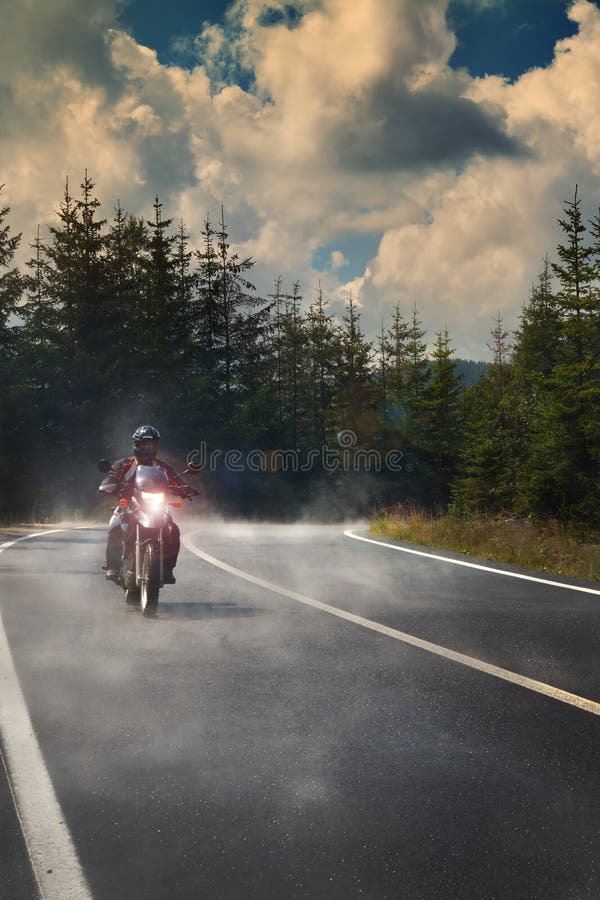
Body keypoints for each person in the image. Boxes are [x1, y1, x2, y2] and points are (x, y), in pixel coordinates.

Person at [99, 425, 195, 584]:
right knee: (115, 525)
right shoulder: (124, 464)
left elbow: (177, 481)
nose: (148, 448)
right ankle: (113, 566)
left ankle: (167, 568)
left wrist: (186, 489)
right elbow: (110, 477)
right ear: (136, 444)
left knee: (173, 529)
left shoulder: (163, 467)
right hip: (129, 505)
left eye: (151, 445)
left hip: (156, 507)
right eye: (144, 444)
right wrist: (108, 485)